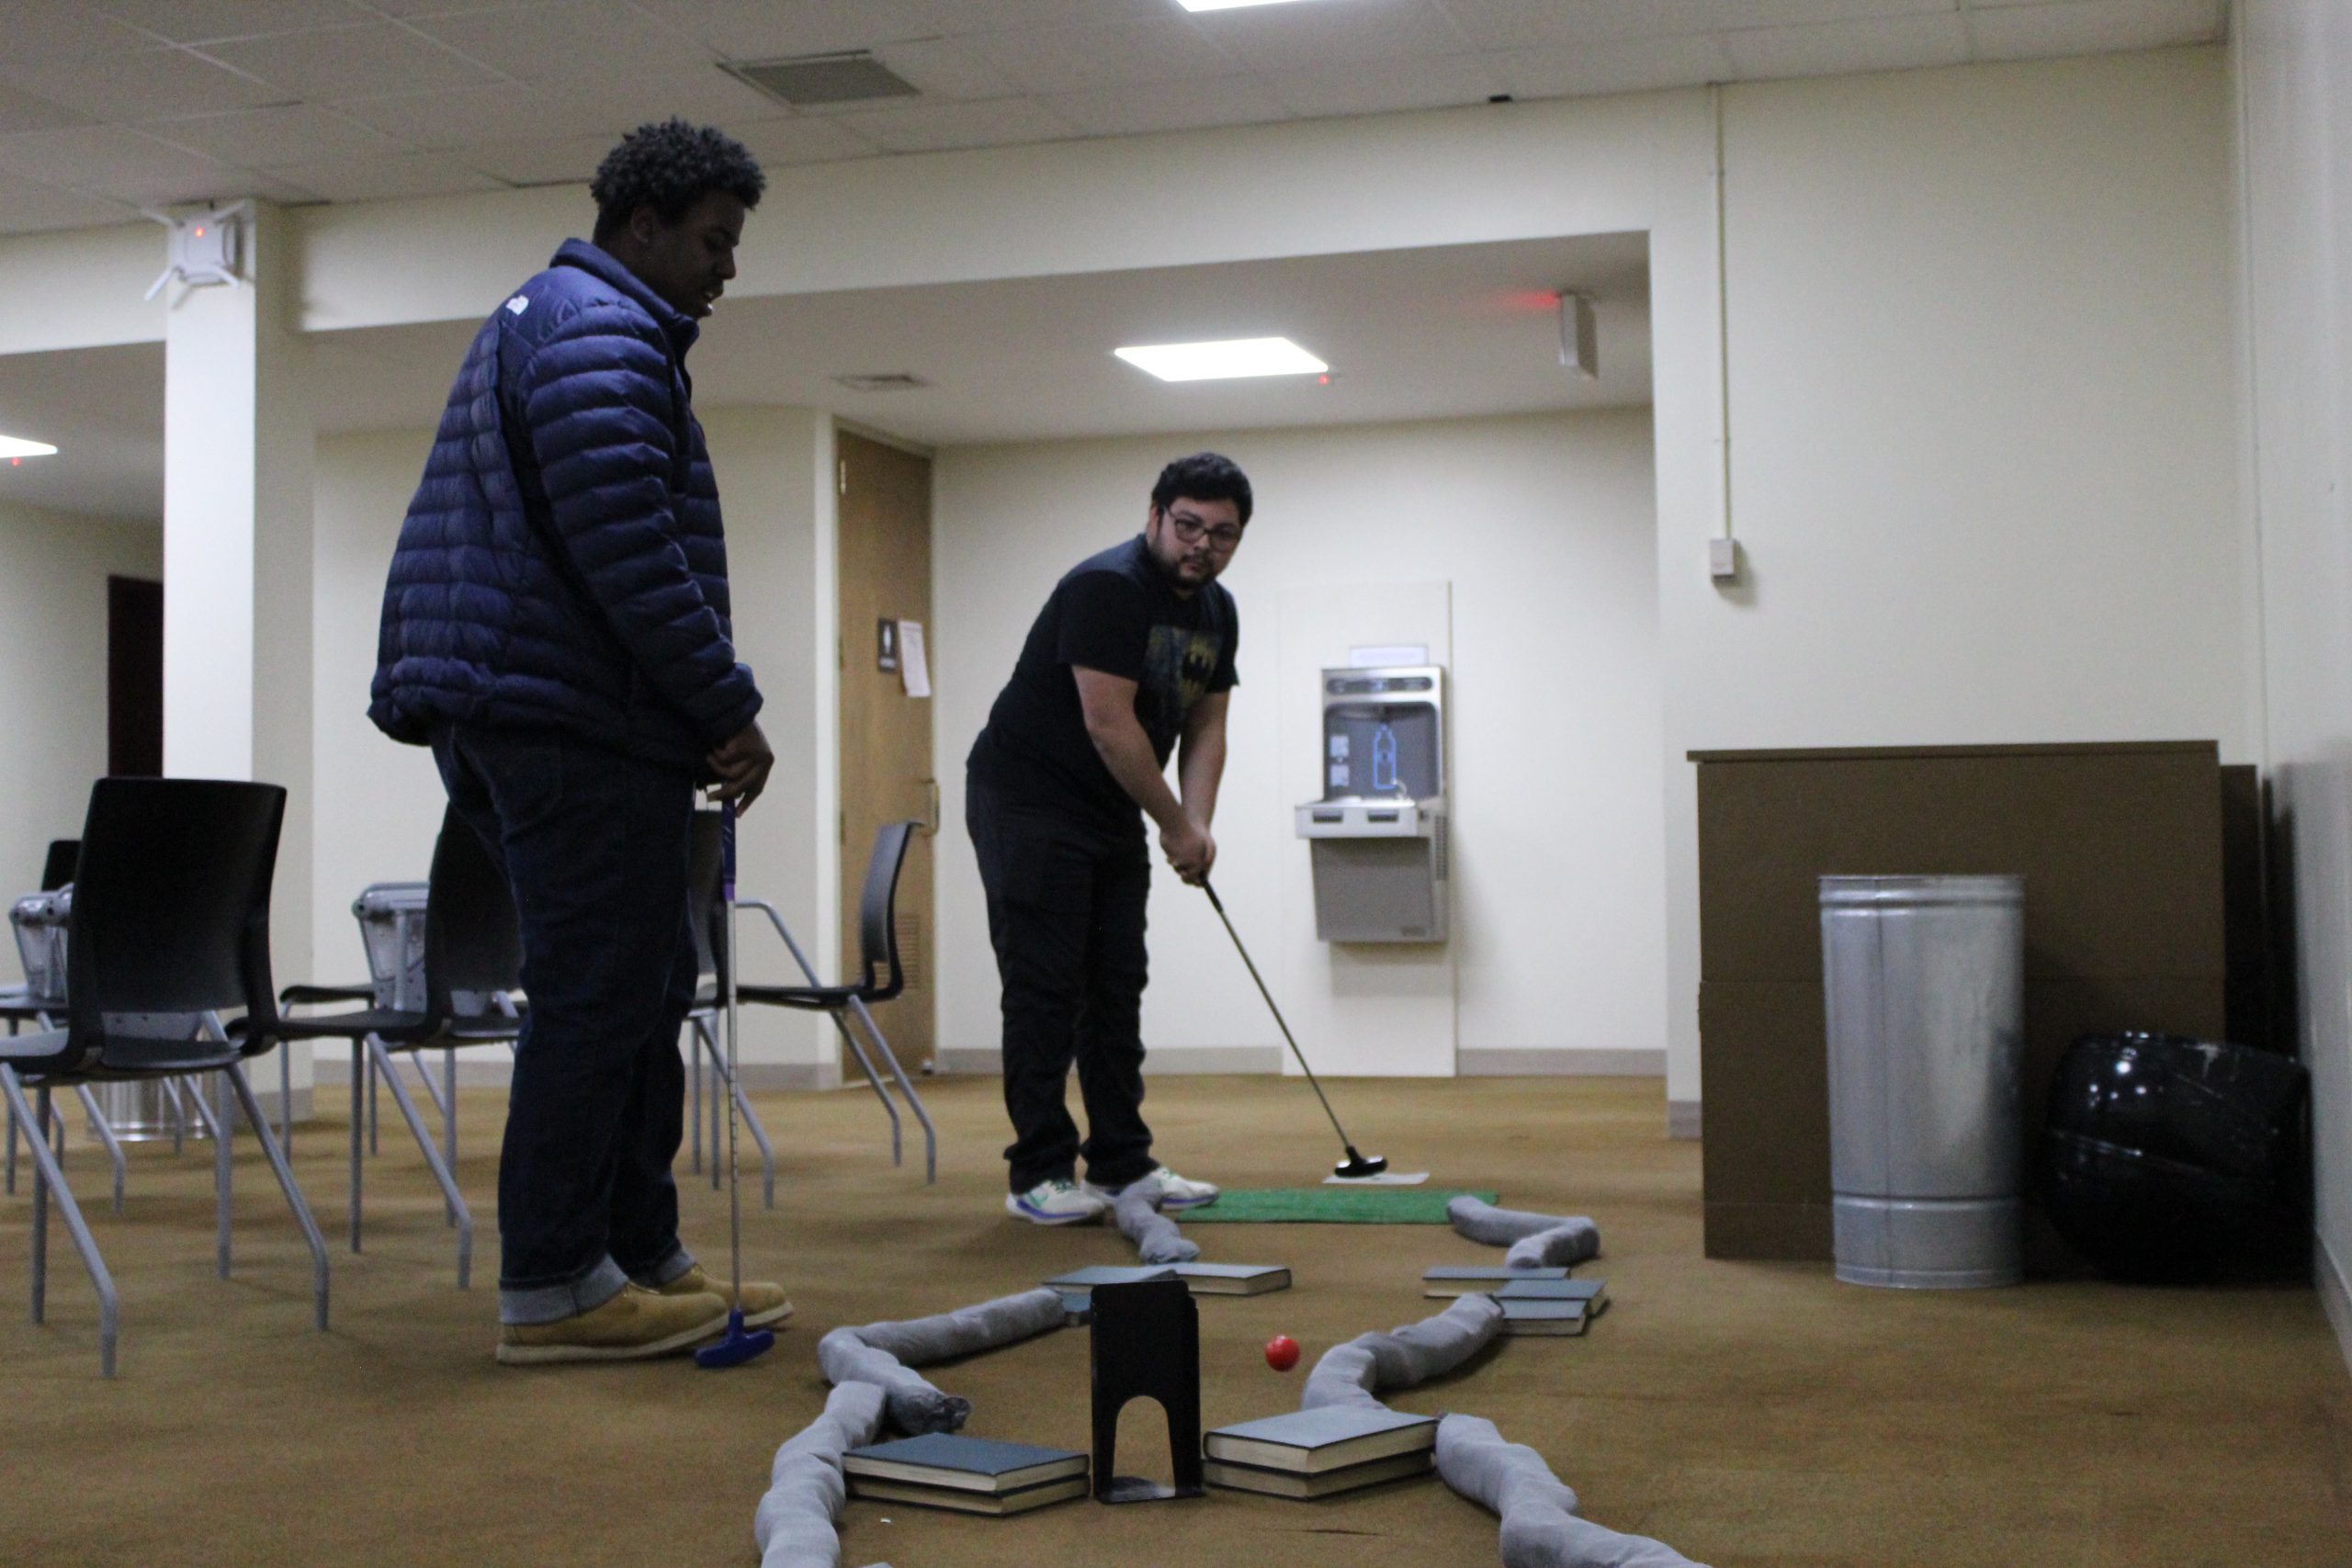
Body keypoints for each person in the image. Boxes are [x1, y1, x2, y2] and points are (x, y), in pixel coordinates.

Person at [369, 119, 788, 1363]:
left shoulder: (571, 323)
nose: (725, 268)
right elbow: (626, 548)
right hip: (563, 714)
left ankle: (633, 1251)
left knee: (641, 980)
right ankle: (555, 1281)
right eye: (713, 241)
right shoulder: (596, 331)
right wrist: (724, 702)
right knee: (599, 991)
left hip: (555, 706)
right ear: (641, 226)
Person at [965, 453, 1252, 1224]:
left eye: (1222, 533)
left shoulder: (1217, 611)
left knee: (1117, 980)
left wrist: (1198, 824)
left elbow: (1206, 725)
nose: (1202, 544)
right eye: (1188, 524)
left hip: (1107, 806)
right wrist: (1172, 822)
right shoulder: (1107, 587)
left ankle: (1124, 1162)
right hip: (1026, 796)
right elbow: (1107, 722)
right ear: (1155, 515)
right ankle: (1038, 1173)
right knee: (1045, 984)